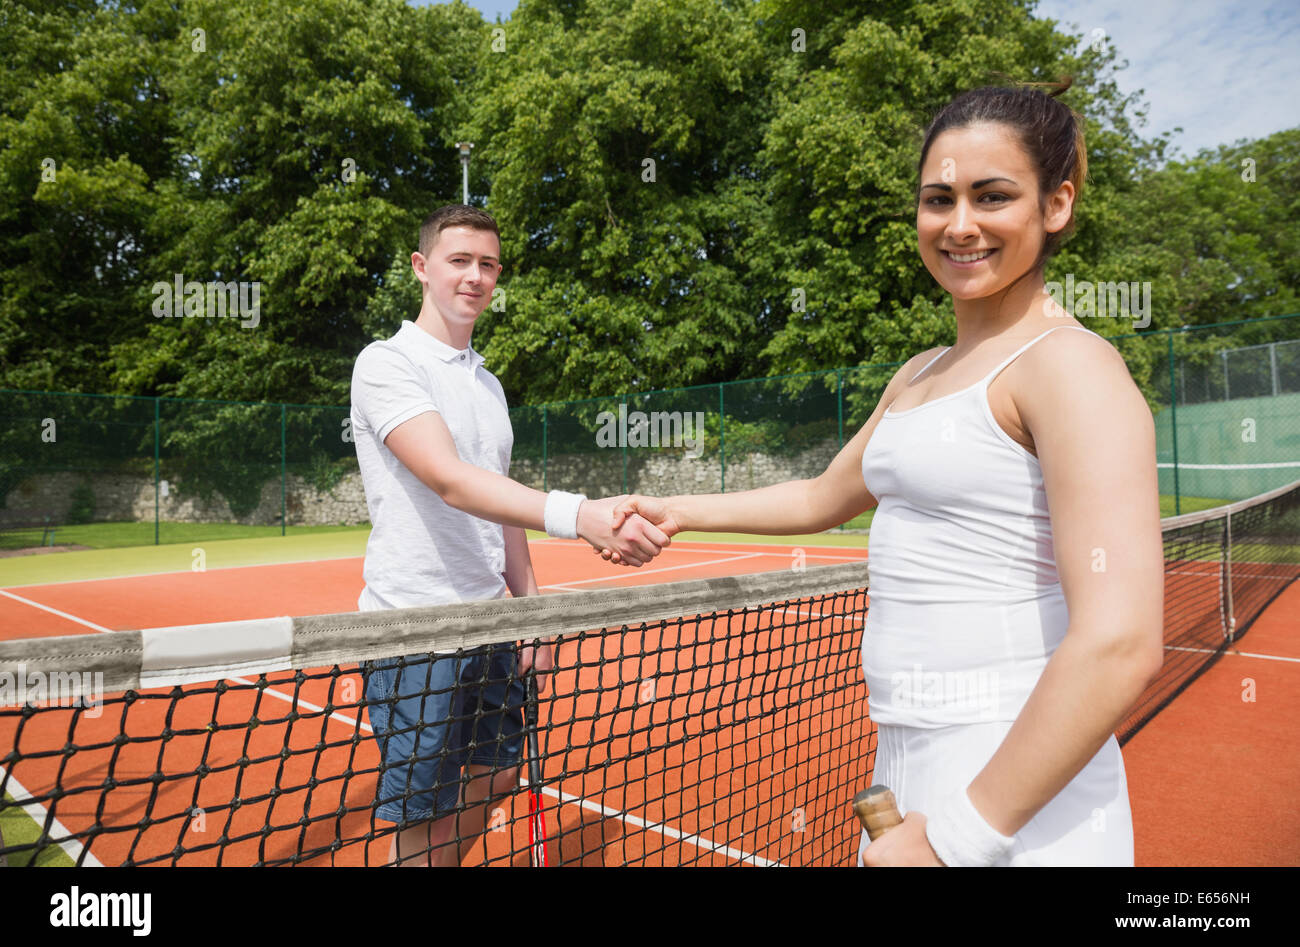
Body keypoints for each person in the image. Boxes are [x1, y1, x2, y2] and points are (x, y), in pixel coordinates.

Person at [602, 81, 1164, 866]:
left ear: (1057, 204)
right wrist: (677, 508)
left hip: (1016, 778)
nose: (959, 225)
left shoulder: (1073, 368)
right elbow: (822, 495)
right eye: (939, 199)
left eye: (992, 196)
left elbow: (1120, 641)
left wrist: (960, 838)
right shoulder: (920, 374)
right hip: (906, 757)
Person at [350, 204, 670, 866]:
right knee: (423, 808)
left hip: (492, 626)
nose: (474, 276)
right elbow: (451, 481)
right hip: (415, 630)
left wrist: (533, 613)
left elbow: (500, 503)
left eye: (487, 264)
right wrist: (582, 514)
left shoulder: (489, 386)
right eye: (459, 260)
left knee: (495, 776)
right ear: (422, 268)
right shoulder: (387, 364)